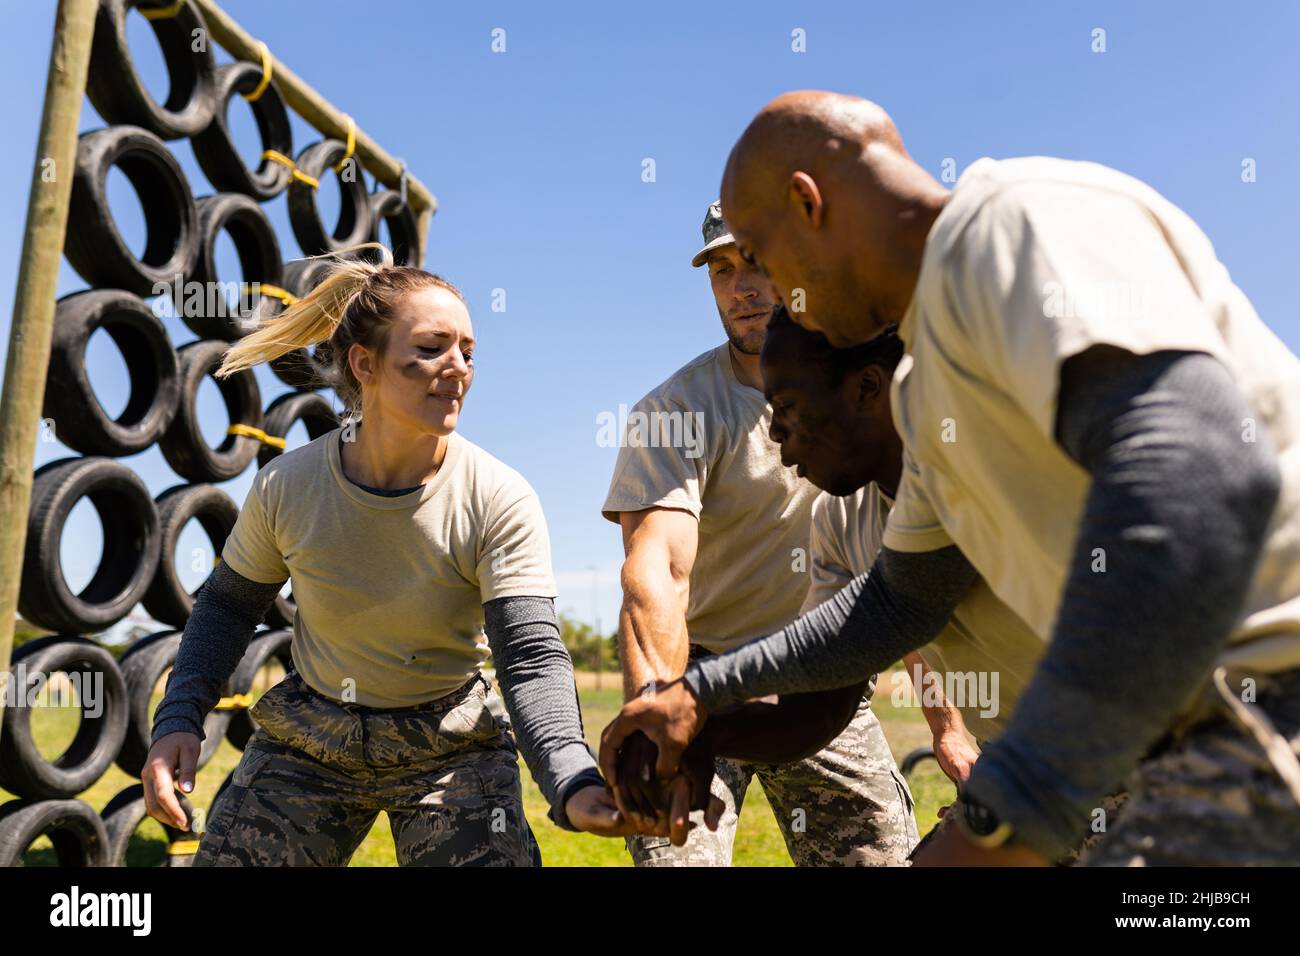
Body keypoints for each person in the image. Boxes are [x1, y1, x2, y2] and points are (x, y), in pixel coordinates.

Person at [601, 92, 1300, 866]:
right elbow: (900, 602)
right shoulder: (927, 384)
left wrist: (1025, 793)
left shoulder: (1013, 223)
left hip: (1260, 701)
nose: (760, 292)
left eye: (764, 256)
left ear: (809, 204)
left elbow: (1192, 471)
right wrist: (699, 702)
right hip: (1161, 734)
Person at [143, 247, 633, 866]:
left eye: (469, 351)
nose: (457, 368)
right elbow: (226, 610)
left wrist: (573, 778)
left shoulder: (498, 497)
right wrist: (179, 720)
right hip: (312, 738)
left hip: (449, 746)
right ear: (364, 364)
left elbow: (530, 657)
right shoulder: (288, 486)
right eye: (431, 348)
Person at [600, 202, 916, 866]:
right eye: (721, 269)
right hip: (699, 672)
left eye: (758, 264)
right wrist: (656, 714)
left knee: (883, 859)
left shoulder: (865, 391)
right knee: (672, 854)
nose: (741, 287)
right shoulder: (675, 410)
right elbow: (656, 573)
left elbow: (912, 572)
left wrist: (948, 729)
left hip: (823, 665)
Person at [761, 306, 1127, 861]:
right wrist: (703, 725)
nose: (772, 431)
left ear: (865, 388)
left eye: (787, 407)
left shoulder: (992, 466)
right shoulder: (839, 523)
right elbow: (819, 701)